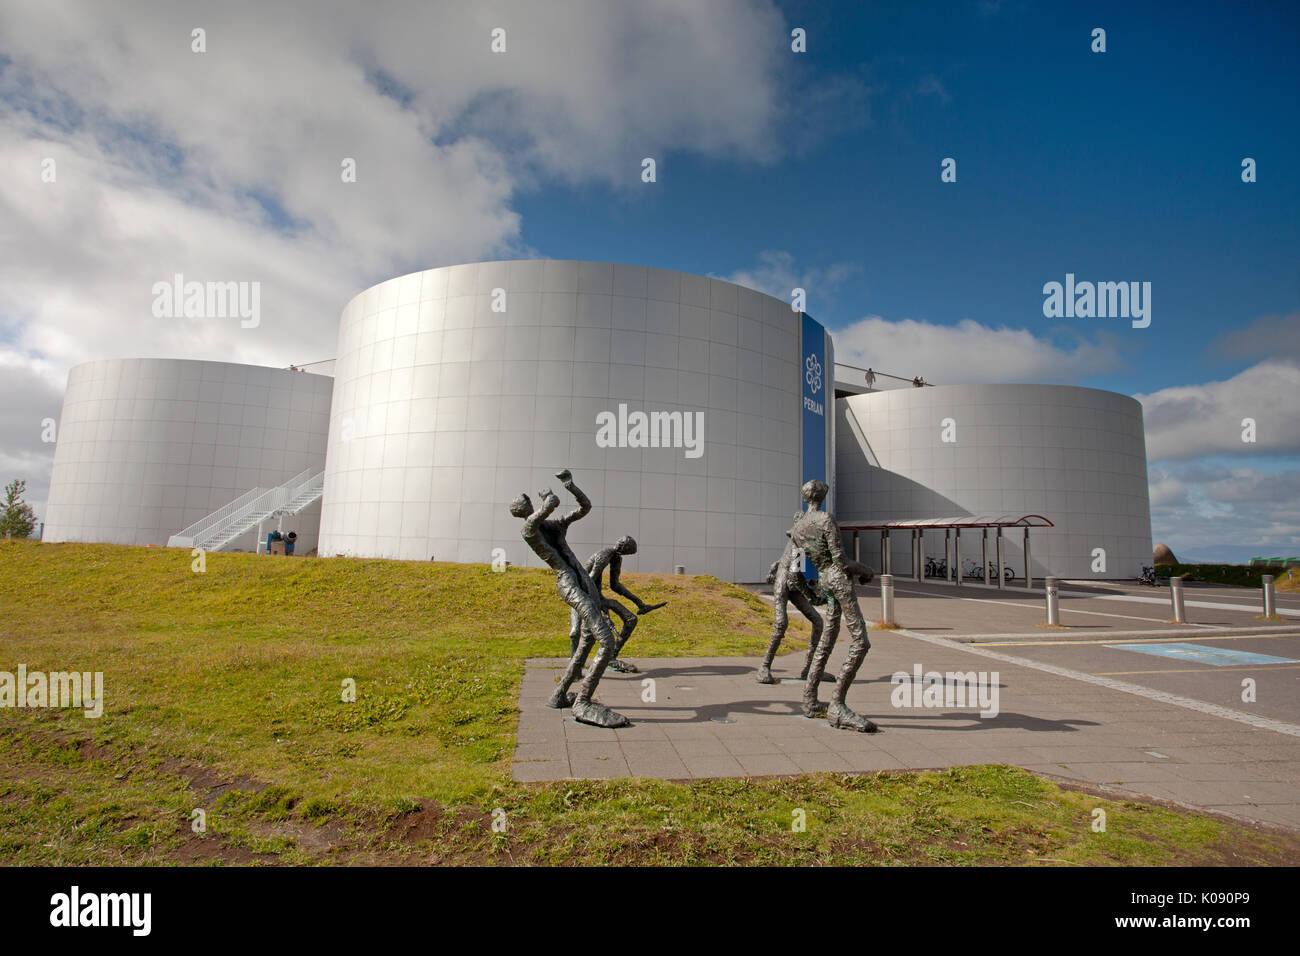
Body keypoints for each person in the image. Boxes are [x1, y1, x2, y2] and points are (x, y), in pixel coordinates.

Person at [511, 468, 629, 728]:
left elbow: (585, 507)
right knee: (606, 641)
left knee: (588, 639)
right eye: (525, 502)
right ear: (521, 510)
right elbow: (551, 504)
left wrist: (571, 486)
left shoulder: (554, 526)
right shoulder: (529, 529)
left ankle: (559, 694)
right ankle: (583, 702)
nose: (528, 503)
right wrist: (549, 496)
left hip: (584, 583)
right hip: (569, 585)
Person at [790, 479, 878, 732]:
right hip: (838, 581)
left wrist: (812, 595)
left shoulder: (797, 529)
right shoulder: (825, 519)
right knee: (861, 641)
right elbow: (841, 561)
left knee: (827, 640)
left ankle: (809, 700)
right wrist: (866, 570)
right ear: (822, 496)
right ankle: (837, 706)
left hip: (825, 582)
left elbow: (795, 574)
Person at [567, 536, 666, 675]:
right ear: (623, 547)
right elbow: (588, 582)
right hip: (581, 595)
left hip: (597, 597)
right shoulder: (603, 555)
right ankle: (573, 671)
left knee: (631, 619)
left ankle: (611, 658)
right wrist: (601, 608)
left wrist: (638, 602)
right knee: (575, 632)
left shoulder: (616, 558)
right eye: (630, 551)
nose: (630, 554)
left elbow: (615, 585)